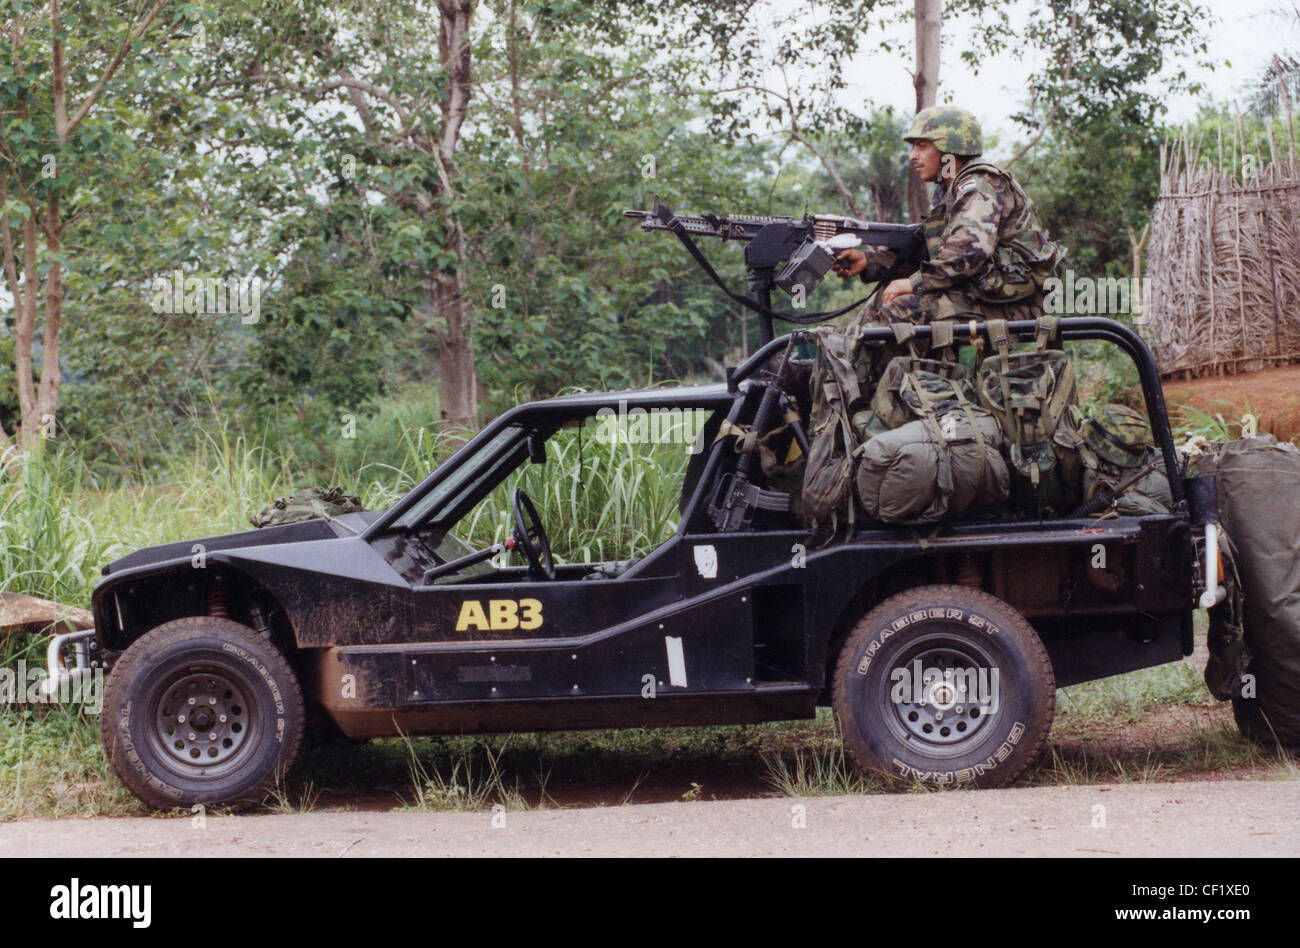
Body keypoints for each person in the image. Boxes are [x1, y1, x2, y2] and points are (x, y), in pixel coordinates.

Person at [832, 107, 1065, 329]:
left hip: (1019, 303)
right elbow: (930, 255)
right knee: (885, 298)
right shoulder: (949, 194)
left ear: (949, 150)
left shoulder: (979, 183)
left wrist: (914, 283)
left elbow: (969, 250)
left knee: (902, 310)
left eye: (922, 146)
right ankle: (851, 354)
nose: (913, 156)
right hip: (987, 294)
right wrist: (869, 261)